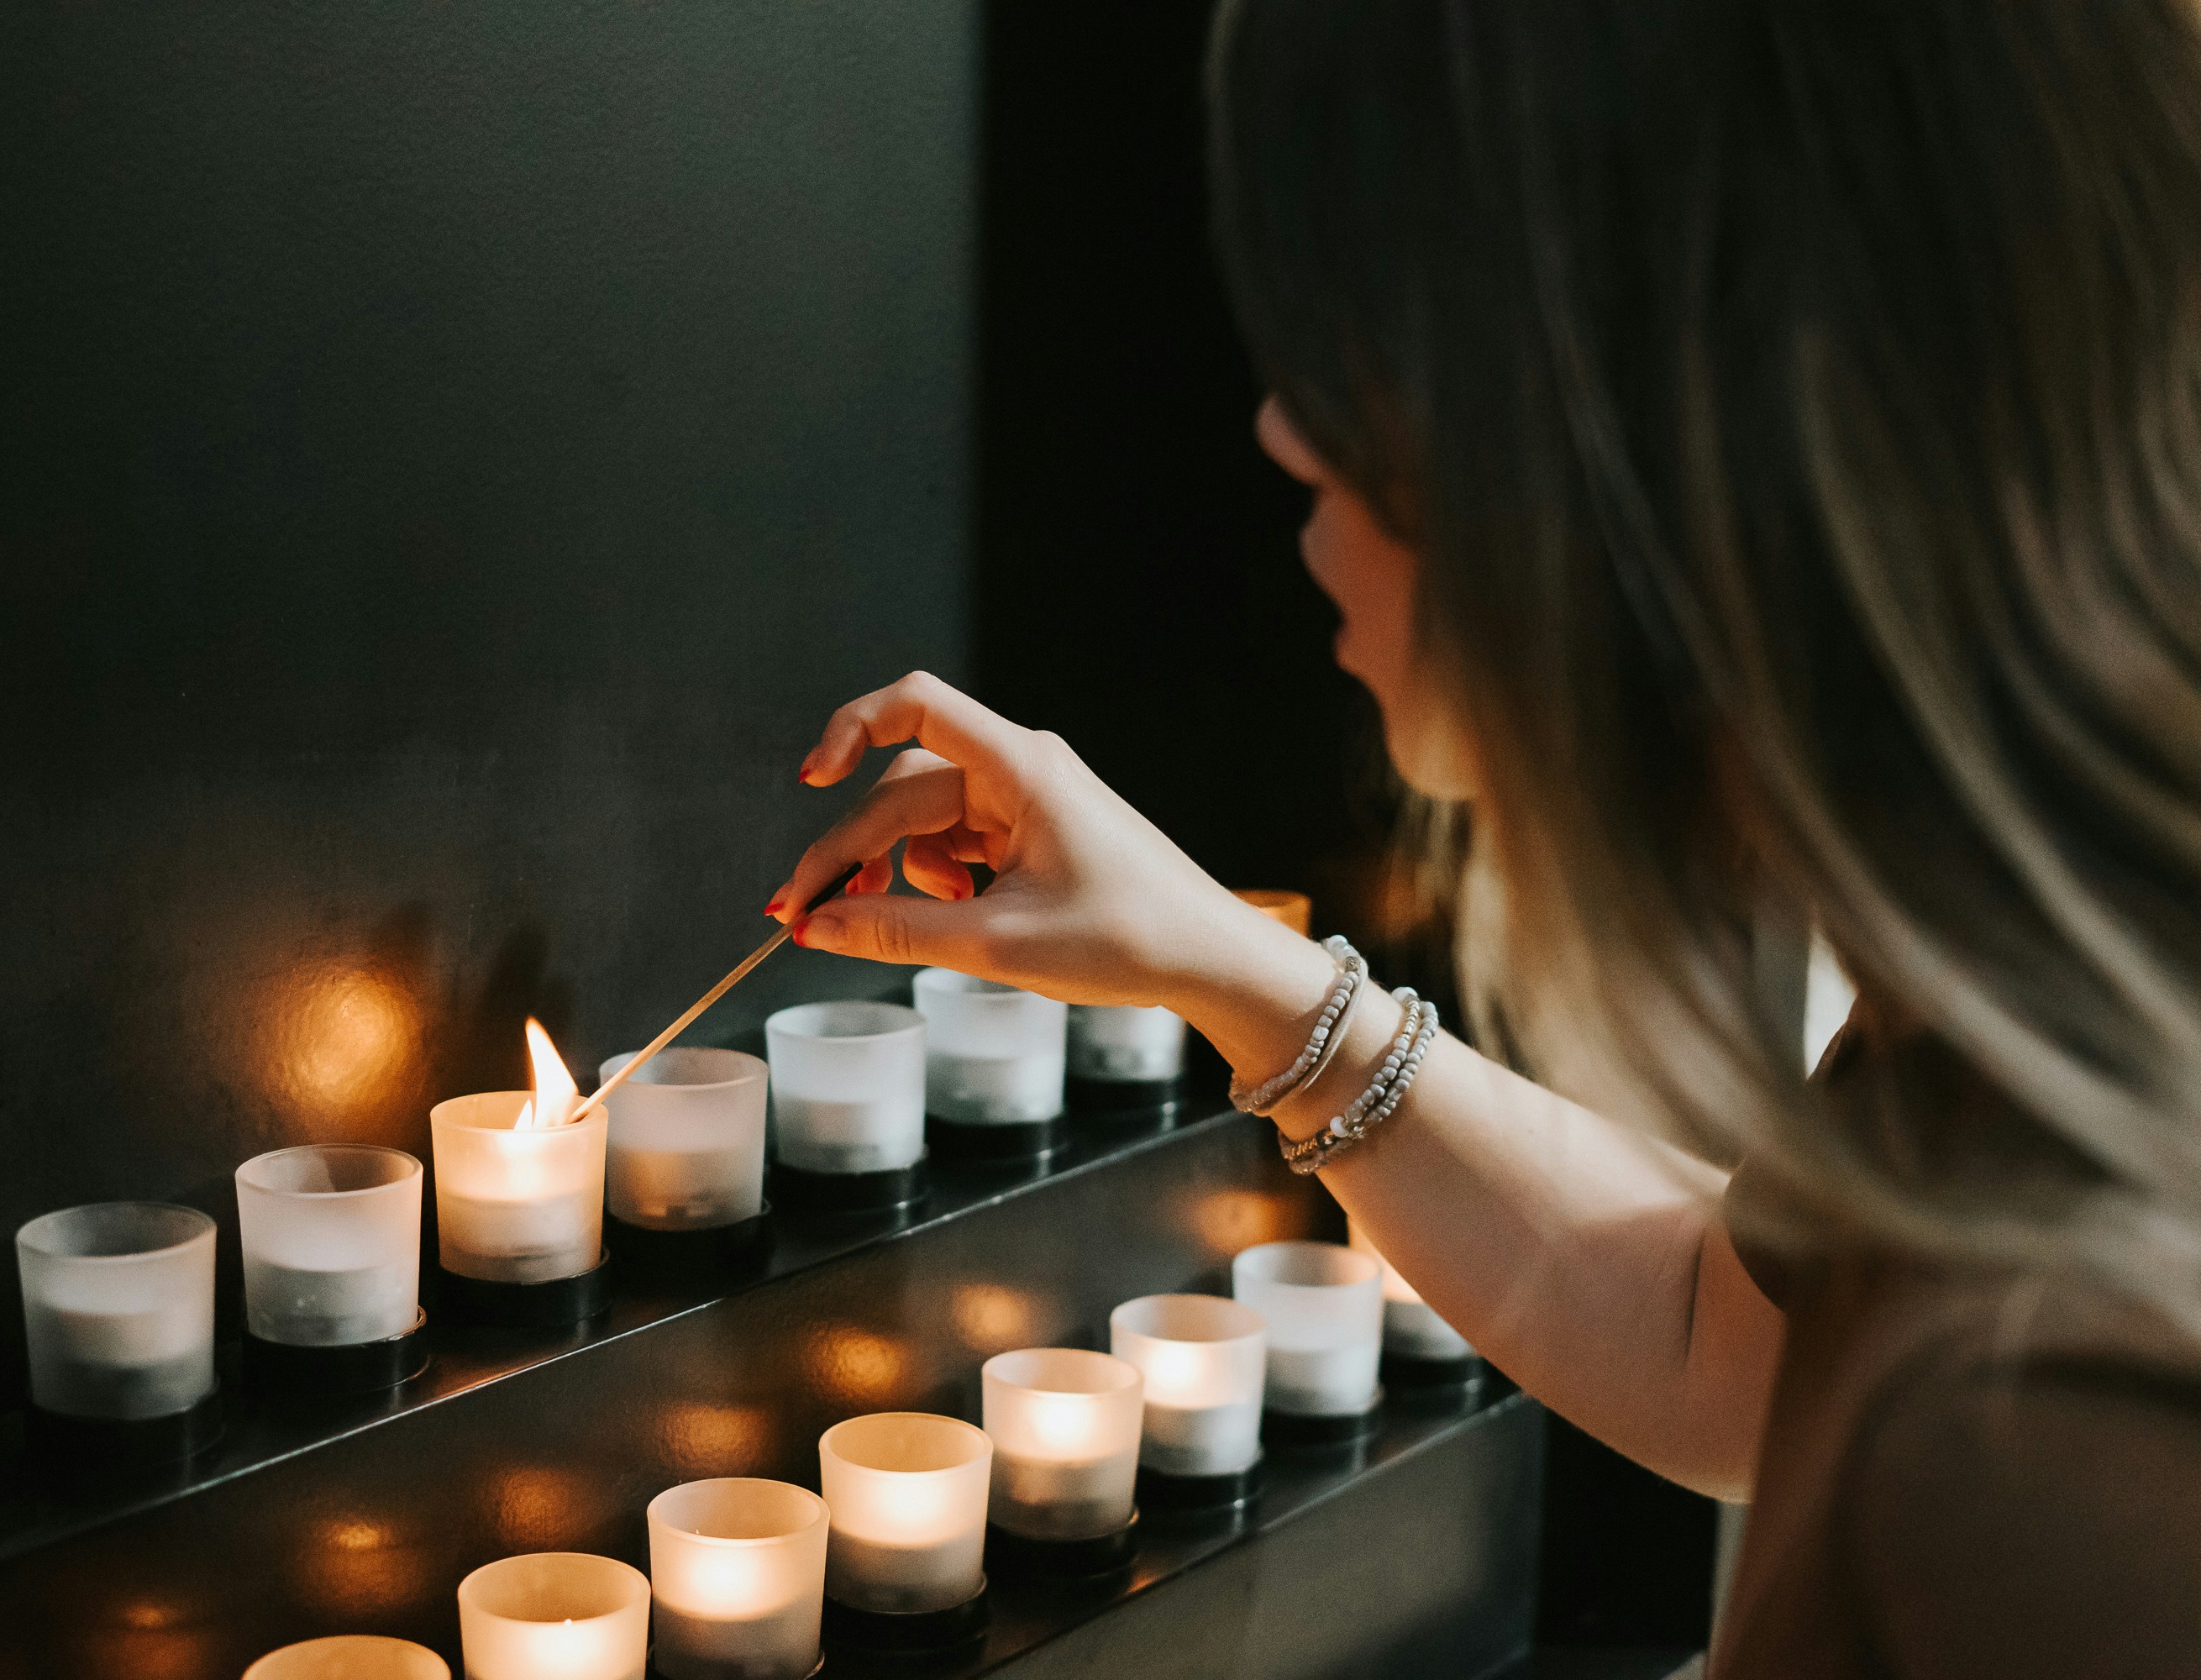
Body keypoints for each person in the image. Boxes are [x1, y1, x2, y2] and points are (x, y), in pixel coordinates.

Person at [764, 3, 2201, 1674]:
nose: (1284, 431)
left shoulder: (2065, 1462)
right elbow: (1716, 1343)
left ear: (1661, 408)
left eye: (1368, 340)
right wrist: (1233, 968)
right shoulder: (2016, 992)